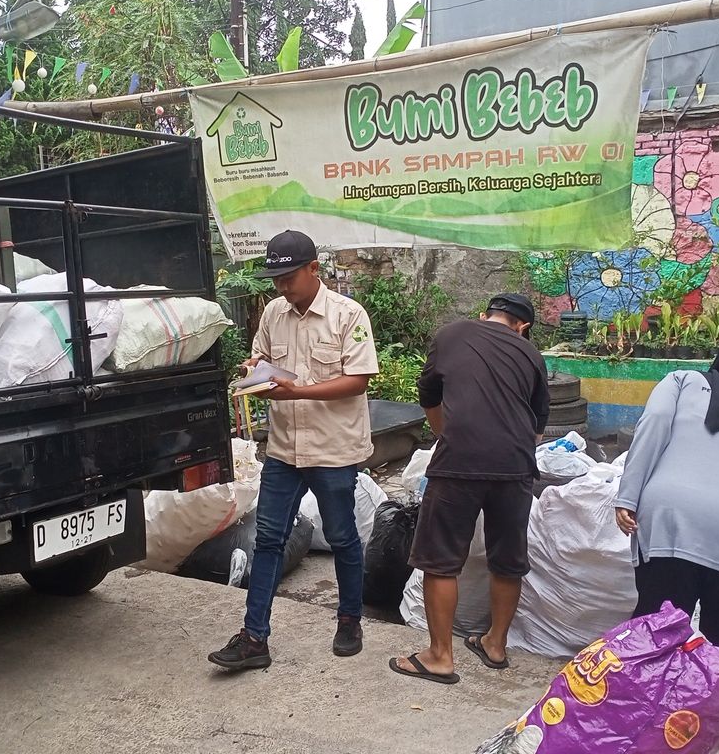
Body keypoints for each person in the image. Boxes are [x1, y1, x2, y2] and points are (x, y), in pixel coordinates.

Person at [209, 230, 379, 670]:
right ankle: (254, 638)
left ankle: (348, 619)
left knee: (343, 538)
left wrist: (296, 391)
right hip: (284, 450)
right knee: (268, 539)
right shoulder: (272, 314)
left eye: (289, 276)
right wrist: (254, 372)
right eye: (276, 278)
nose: (282, 286)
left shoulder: (348, 314)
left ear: (313, 270)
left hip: (334, 450)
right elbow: (263, 361)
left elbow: (358, 380)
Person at [614, 334, 719, 754]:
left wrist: (627, 495)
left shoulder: (682, 380)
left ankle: (631, 715)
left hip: (675, 520)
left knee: (658, 627)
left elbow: (651, 430)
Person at [391, 293, 549, 684]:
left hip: (459, 462)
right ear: (522, 326)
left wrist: (447, 434)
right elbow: (537, 427)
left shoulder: (451, 333)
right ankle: (495, 645)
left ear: (484, 315)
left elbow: (429, 395)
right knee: (508, 559)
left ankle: (440, 656)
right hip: (515, 467)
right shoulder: (531, 356)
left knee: (439, 559)